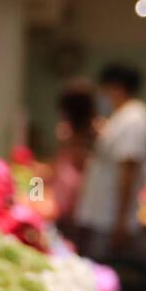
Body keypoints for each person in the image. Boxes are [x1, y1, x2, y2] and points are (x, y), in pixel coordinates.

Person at [75, 63, 146, 260]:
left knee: (109, 272)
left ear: (116, 87)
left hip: (111, 219)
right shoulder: (120, 116)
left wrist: (121, 222)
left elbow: (129, 168)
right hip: (103, 216)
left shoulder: (135, 119)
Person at [50, 80, 98, 242]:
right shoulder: (96, 129)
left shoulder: (66, 130)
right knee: (77, 228)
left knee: (64, 226)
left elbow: (60, 159)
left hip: (66, 182)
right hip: (83, 182)